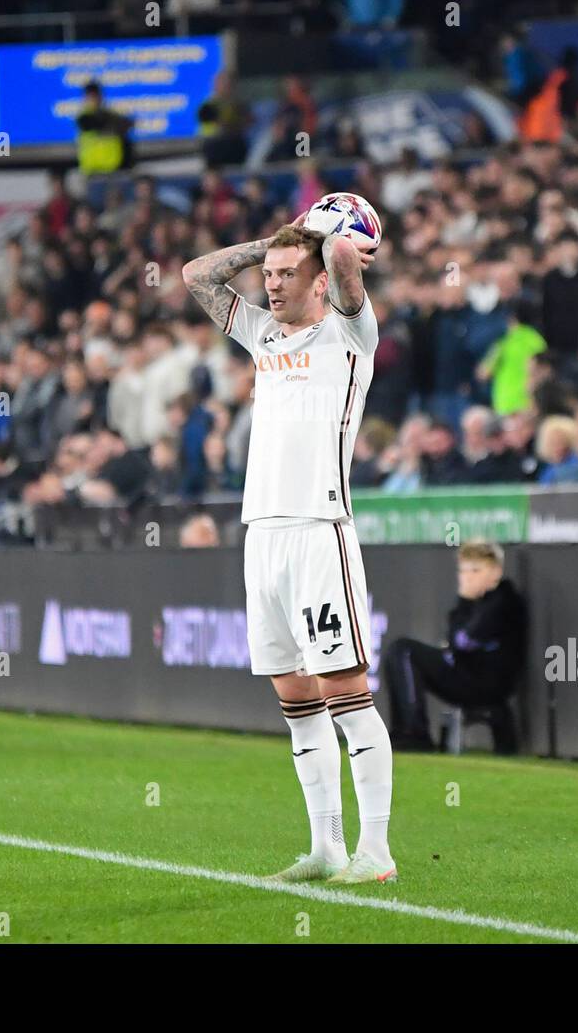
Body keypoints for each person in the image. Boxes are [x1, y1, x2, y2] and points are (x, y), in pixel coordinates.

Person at [182, 215, 396, 885]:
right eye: (267, 276)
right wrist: (272, 245)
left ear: (318, 281)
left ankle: (377, 852)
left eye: (284, 275)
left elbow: (345, 263)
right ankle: (325, 848)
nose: (270, 286)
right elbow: (195, 276)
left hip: (318, 528)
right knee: (296, 698)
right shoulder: (262, 333)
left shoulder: (349, 333)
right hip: (262, 534)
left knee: (345, 693)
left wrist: (326, 240)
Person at [384, 541, 525, 755]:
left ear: (496, 572)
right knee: (398, 650)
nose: (468, 577)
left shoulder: (503, 599)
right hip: (467, 674)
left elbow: (463, 641)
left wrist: (465, 600)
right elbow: (455, 637)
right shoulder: (475, 603)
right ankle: (403, 731)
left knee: (405, 650)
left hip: (485, 683)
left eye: (476, 570)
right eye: (463, 571)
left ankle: (415, 735)